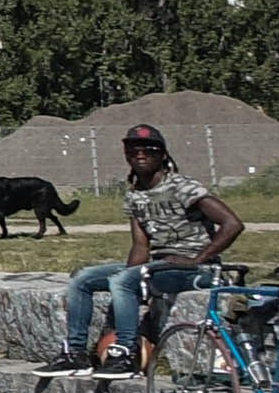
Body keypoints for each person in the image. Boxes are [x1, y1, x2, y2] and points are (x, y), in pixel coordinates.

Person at [53, 124, 242, 372]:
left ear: (163, 155)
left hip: (196, 270)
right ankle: (75, 353)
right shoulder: (135, 196)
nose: (140, 155)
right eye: (133, 151)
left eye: (149, 150)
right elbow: (140, 246)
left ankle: (127, 353)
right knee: (83, 278)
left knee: (124, 280)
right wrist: (127, 281)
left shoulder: (182, 187)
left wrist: (199, 259)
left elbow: (232, 224)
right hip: (158, 266)